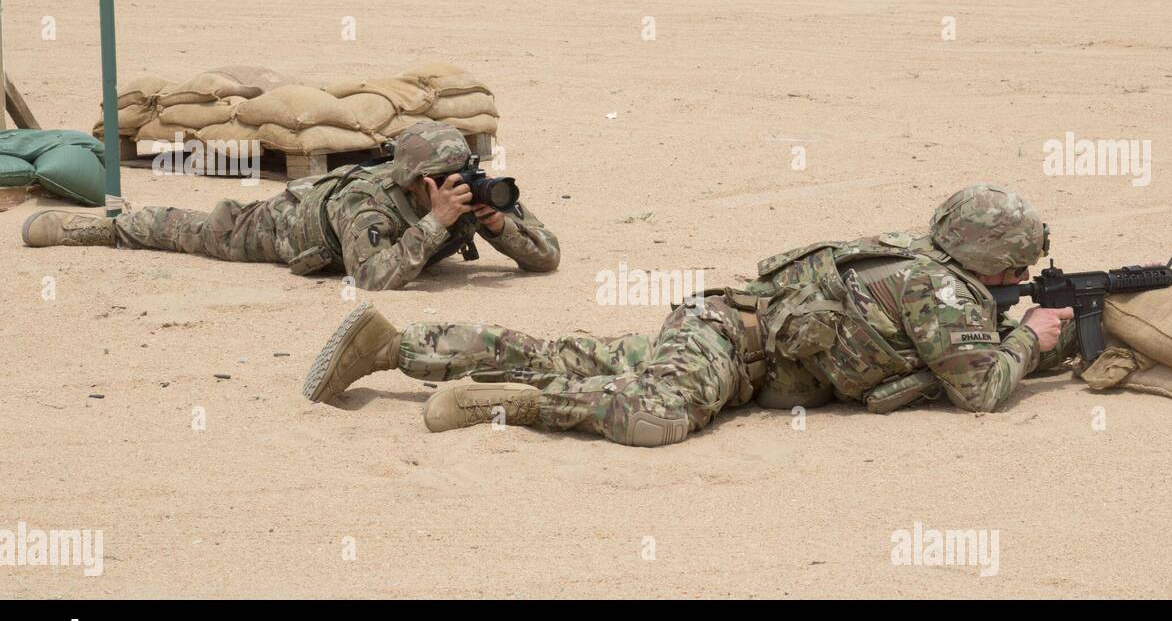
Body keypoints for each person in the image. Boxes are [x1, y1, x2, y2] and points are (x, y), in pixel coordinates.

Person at [302, 184, 1075, 446]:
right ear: (983, 254)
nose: (1018, 276)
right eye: (1013, 264)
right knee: (654, 418)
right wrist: (1033, 340)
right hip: (730, 348)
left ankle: (399, 344)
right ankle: (514, 406)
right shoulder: (940, 292)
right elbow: (980, 389)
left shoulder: (912, 254)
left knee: (575, 352)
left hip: (723, 327)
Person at [20, 121, 560, 291]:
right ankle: (93, 228)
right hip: (289, 226)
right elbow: (371, 278)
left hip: (368, 211)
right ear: (419, 183)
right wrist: (435, 224)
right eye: (447, 180)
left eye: (464, 173)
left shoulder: (472, 192)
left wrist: (497, 226)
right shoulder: (367, 204)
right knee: (196, 228)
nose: (461, 184)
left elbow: (547, 257)